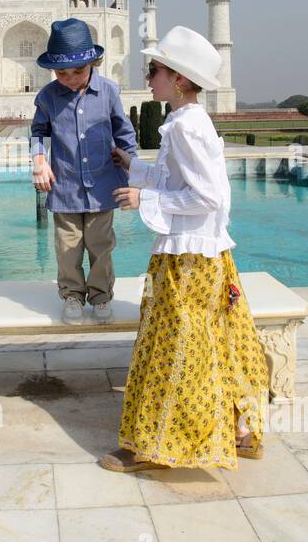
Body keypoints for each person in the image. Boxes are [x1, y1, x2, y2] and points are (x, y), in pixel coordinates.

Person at [99, 26, 269, 473]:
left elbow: (207, 196)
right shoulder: (186, 122)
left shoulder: (186, 128)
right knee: (215, 344)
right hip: (204, 253)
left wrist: (144, 199)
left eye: (154, 69)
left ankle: (160, 446)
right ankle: (241, 431)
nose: (148, 77)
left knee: (175, 348)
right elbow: (180, 182)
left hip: (187, 260)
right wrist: (133, 166)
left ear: (177, 78)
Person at [29, 18, 138, 325]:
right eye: (61, 72)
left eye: (78, 70)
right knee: (68, 246)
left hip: (104, 184)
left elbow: (124, 133)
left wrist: (132, 167)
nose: (70, 78)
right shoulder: (49, 96)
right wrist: (39, 160)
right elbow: (38, 133)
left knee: (101, 245)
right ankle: (73, 295)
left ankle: (101, 296)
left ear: (93, 62)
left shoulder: (109, 91)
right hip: (64, 186)